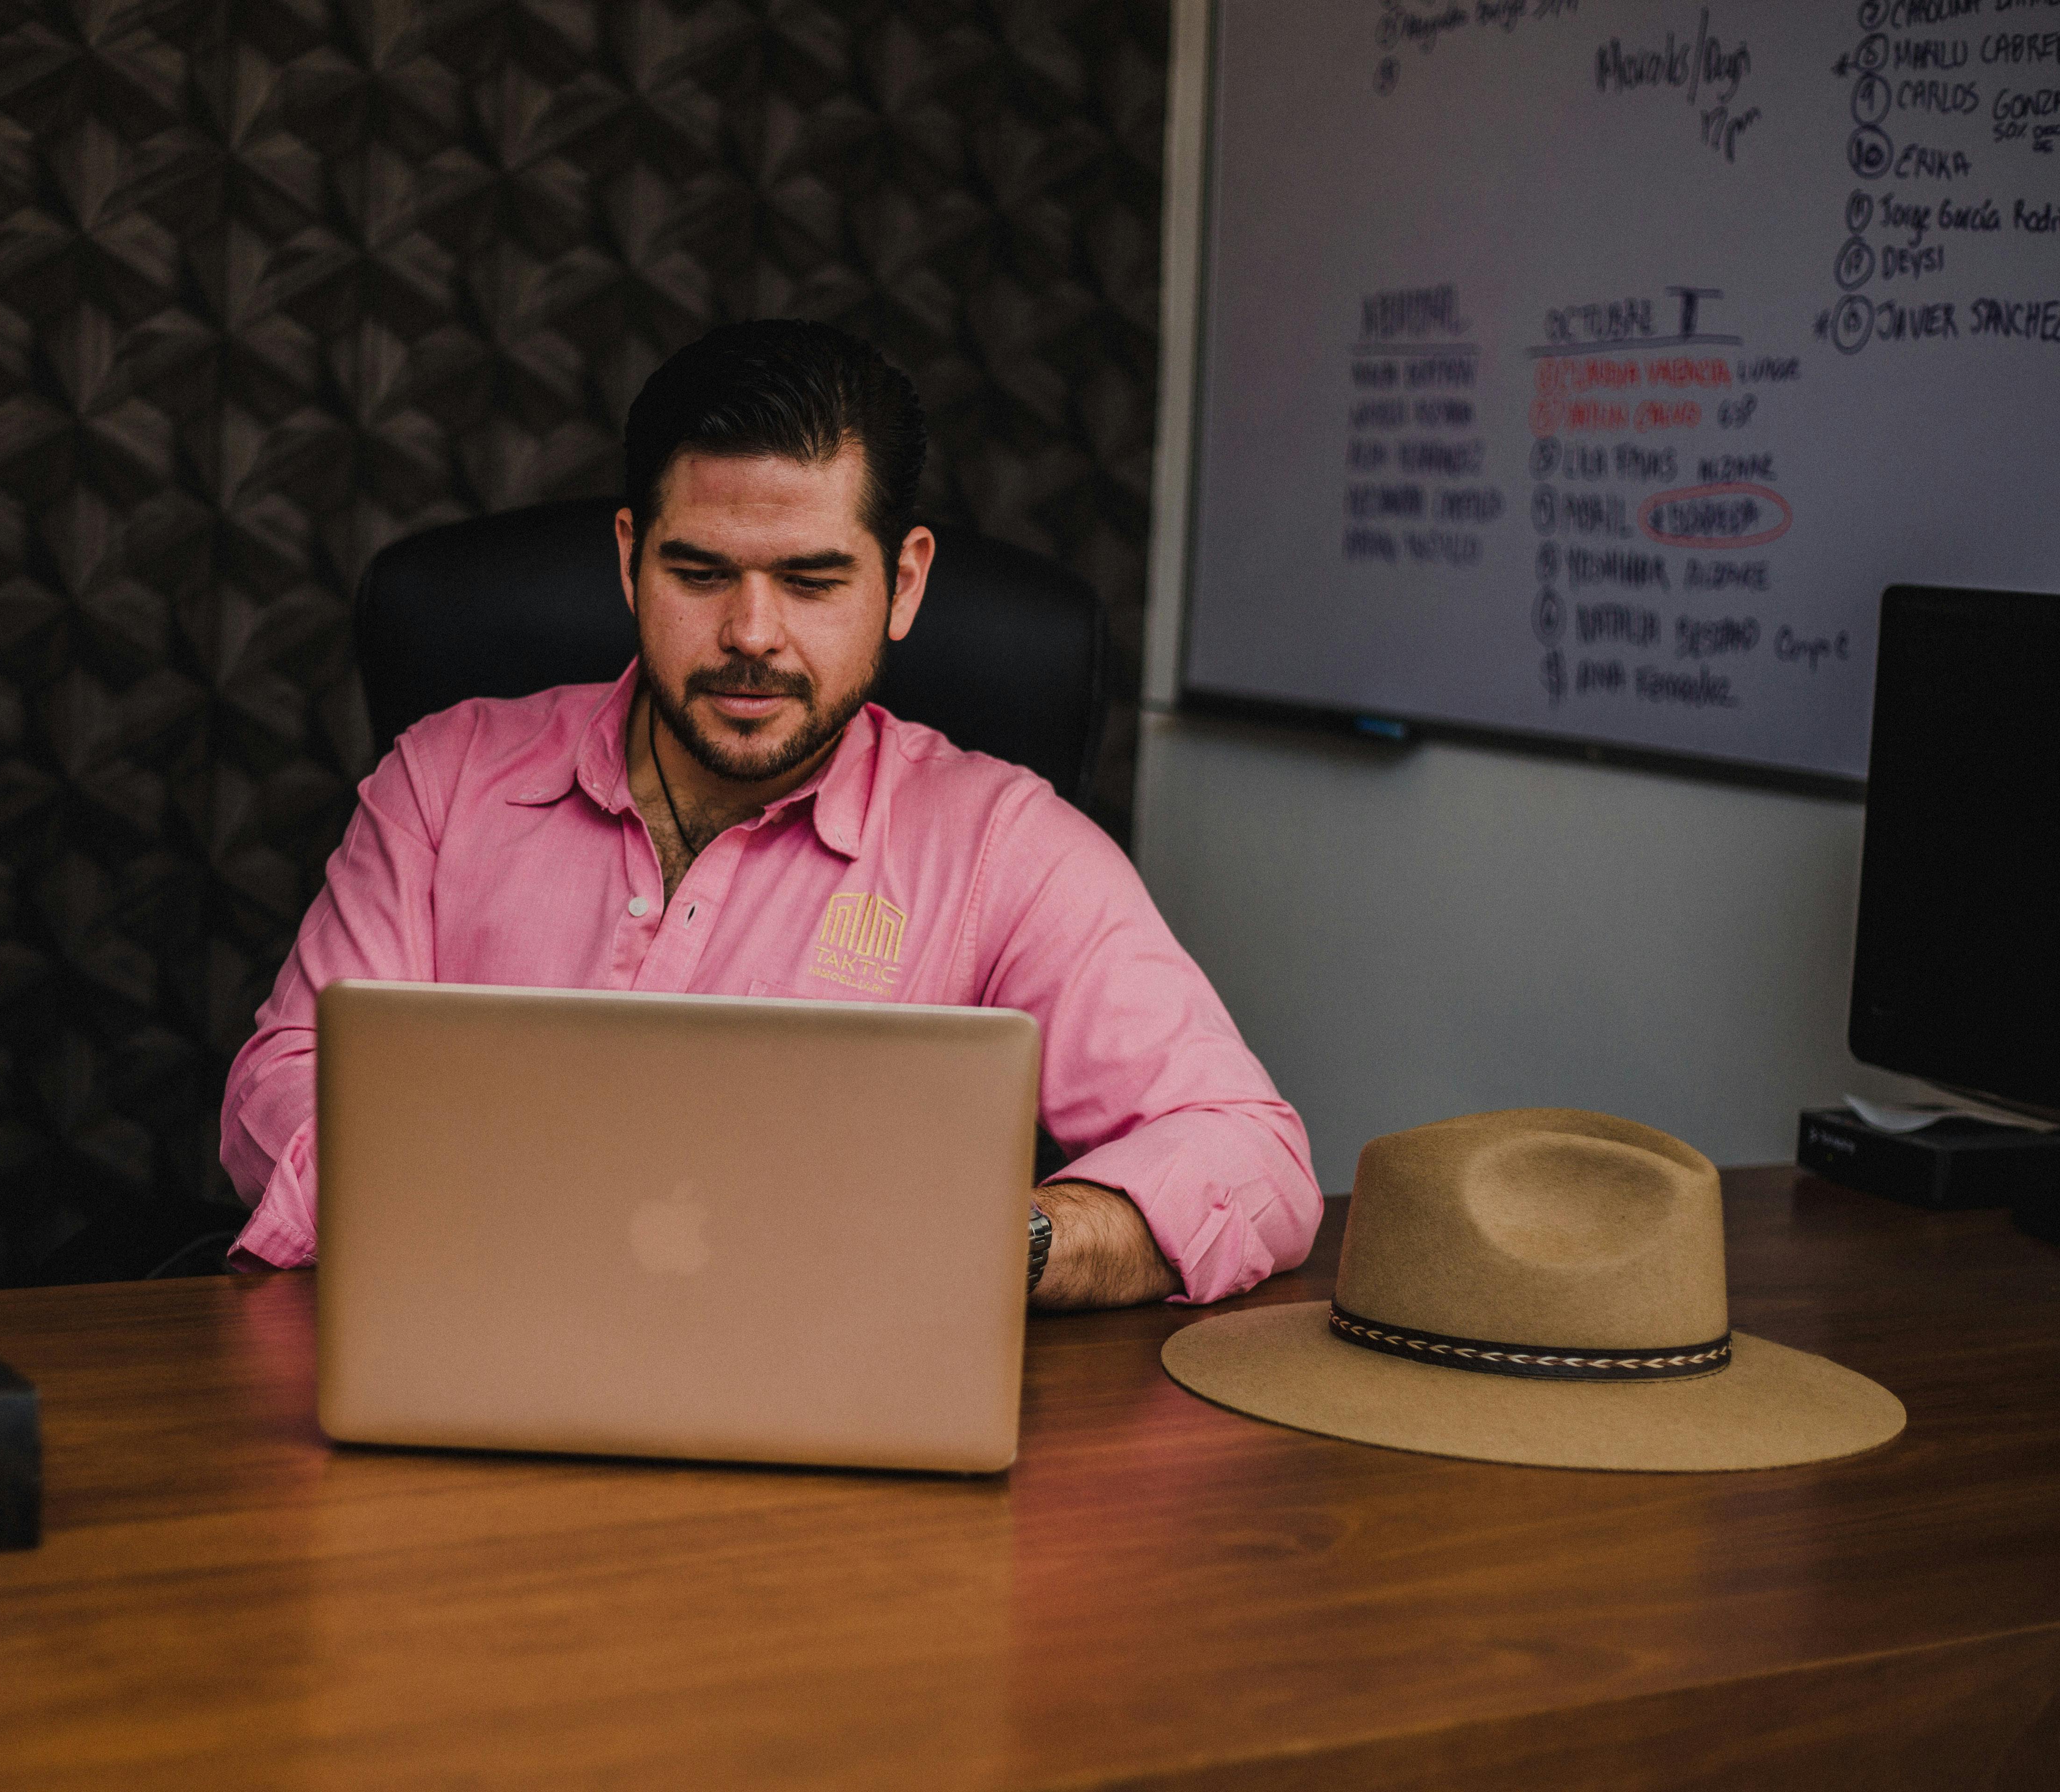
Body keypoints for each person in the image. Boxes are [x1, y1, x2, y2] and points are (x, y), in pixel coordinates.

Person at [220, 320, 1319, 1309]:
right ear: (628, 560)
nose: (752, 634)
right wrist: (519, 1215)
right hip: (465, 1348)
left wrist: (1014, 1239)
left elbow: (1251, 1158)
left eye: (812, 581)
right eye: (699, 572)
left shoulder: (1005, 846)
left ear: (906, 582)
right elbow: (280, 1085)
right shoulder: (446, 779)